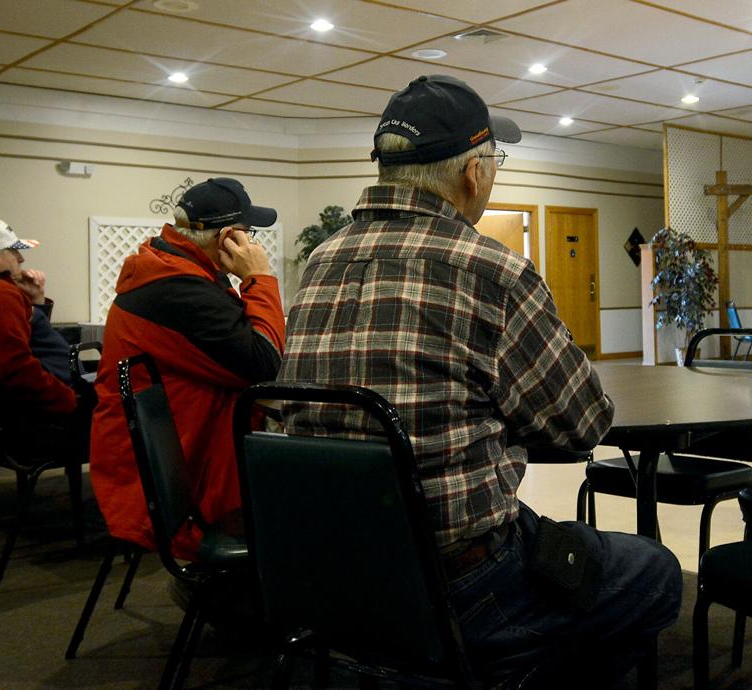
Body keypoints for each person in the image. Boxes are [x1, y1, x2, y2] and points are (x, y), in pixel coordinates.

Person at [279, 74, 681, 685]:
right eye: (496, 158)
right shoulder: (491, 270)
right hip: (465, 583)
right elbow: (582, 425)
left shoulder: (319, 261)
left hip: (332, 571)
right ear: (474, 173)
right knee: (653, 571)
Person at [89, 177, 286, 560]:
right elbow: (266, 366)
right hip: (185, 495)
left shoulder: (168, 272)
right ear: (228, 237)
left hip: (175, 464)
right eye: (250, 233)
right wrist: (259, 278)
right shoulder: (180, 289)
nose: (254, 242)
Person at [0, 218, 88, 456]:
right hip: (38, 421)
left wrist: (36, 301)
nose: (21, 259)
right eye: (14, 251)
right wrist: (68, 399)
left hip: (13, 415)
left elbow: (32, 342)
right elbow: (13, 366)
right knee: (129, 413)